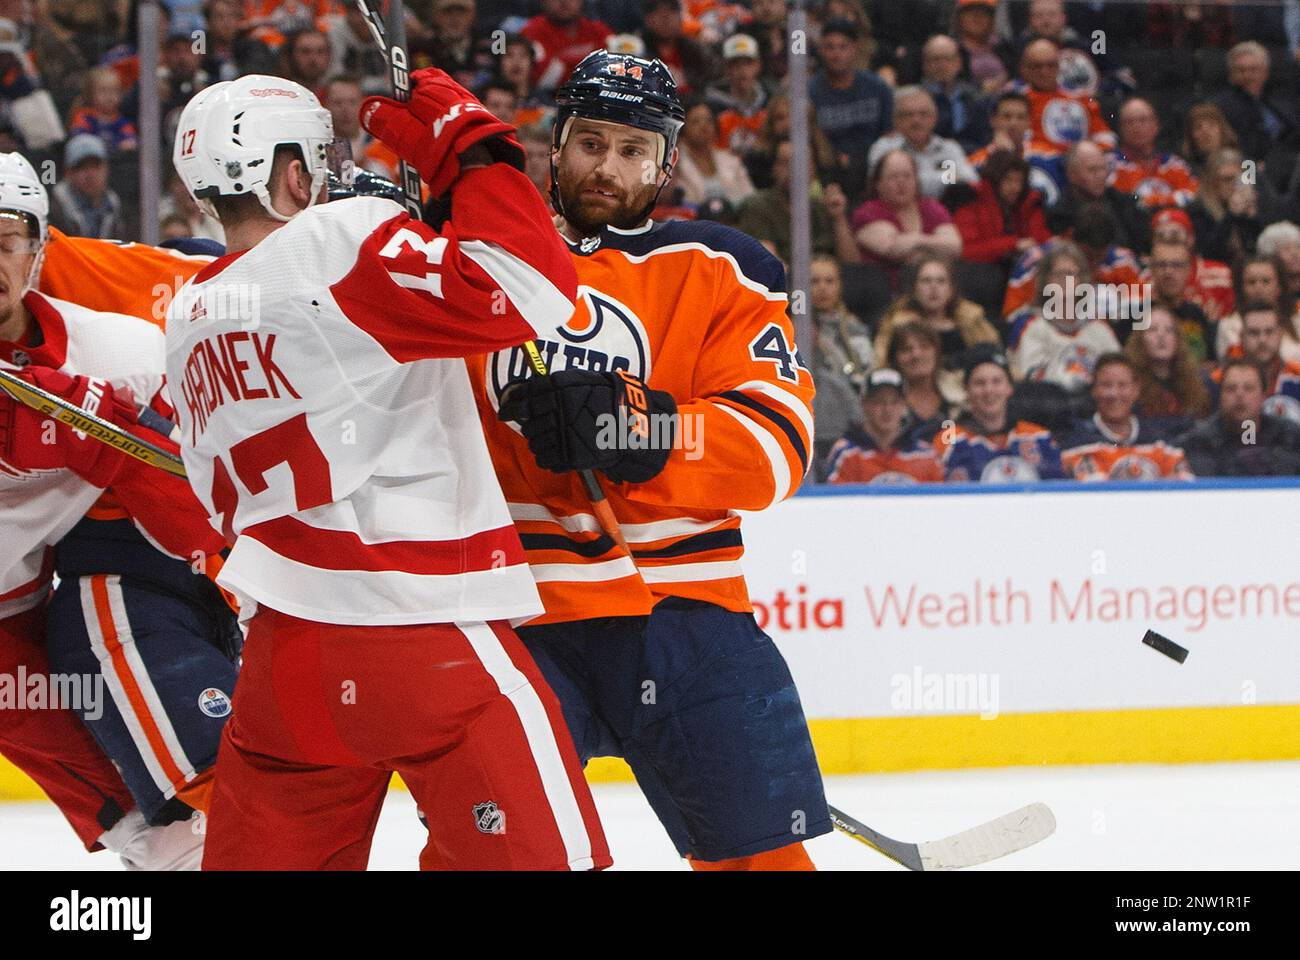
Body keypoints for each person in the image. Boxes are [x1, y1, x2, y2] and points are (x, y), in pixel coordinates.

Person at [166, 71, 608, 870]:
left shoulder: (189, 314)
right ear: (291, 174)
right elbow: (531, 288)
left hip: (280, 669)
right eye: (316, 165)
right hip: (416, 631)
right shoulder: (335, 240)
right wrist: (475, 154)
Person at [472, 51, 830, 870]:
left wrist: (642, 430)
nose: (608, 166)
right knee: (496, 854)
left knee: (761, 862)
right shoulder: (479, 261)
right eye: (591, 143)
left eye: (633, 150)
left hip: (683, 613)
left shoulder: (723, 266)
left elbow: (777, 448)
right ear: (556, 145)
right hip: (515, 612)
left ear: (666, 165)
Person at [0, 152, 231, 869]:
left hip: (38, 588)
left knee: (202, 812)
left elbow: (189, 497)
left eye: (5, 240)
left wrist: (113, 434)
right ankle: (147, 836)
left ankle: (162, 836)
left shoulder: (116, 353)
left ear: (38, 253)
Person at [935, 344, 1066, 482]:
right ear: (966, 389)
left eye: (997, 381)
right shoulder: (948, 440)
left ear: (1010, 387)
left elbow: (1058, 489)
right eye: (979, 383)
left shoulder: (1039, 437)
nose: (989, 390)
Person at [1008, 239, 1121, 393]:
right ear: (1046, 280)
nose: (1065, 281)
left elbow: (1118, 372)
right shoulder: (1031, 325)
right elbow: (1029, 376)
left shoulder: (1099, 328)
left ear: (1082, 280)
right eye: (1058, 274)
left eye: (1071, 274)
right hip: (1048, 402)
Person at [1058, 353, 1194, 481]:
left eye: (1122, 385)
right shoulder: (1076, 443)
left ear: (1136, 390)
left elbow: (1185, 484)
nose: (1114, 393)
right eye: (1106, 385)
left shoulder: (1160, 443)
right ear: (1094, 390)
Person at [852, 148, 962, 282]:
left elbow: (954, 247)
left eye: (907, 176)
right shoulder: (867, 212)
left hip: (932, 285)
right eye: (893, 177)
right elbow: (893, 248)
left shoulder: (931, 207)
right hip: (886, 287)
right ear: (878, 184)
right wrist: (934, 247)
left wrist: (915, 241)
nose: (901, 182)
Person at [1177, 359, 1300, 476]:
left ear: (1263, 396)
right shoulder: (1198, 442)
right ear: (1221, 396)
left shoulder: (1290, 436)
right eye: (1231, 389)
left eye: (1248, 388)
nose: (1239, 395)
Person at [874, 255, 997, 371]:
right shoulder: (898, 325)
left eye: (941, 281)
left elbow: (993, 358)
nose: (934, 287)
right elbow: (881, 364)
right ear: (914, 288)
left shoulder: (972, 320)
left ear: (951, 289)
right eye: (926, 281)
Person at [826, 368, 945, 484]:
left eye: (894, 402)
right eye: (879, 401)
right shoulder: (845, 454)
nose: (887, 410)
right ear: (864, 404)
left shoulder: (927, 456)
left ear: (904, 404)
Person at [865, 86, 979, 200]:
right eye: (908, 115)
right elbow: (878, 187)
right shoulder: (885, 148)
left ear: (934, 118)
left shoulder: (949, 148)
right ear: (896, 120)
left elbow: (972, 182)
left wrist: (909, 180)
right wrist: (948, 178)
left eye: (923, 114)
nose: (916, 121)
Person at [809, 19, 892, 165]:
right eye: (830, 47)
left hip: (873, 163)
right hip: (827, 165)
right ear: (821, 50)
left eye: (843, 47)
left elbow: (889, 134)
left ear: (854, 49)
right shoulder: (810, 91)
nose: (836, 54)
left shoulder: (877, 87)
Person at [1014, 37, 1115, 155]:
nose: (1044, 72)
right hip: (1036, 160)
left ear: (1059, 66)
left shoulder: (1080, 98)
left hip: (1079, 161)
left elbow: (1104, 138)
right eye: (1037, 66)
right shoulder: (1017, 101)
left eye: (1051, 65)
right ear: (1024, 69)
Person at [1211, 41, 1300, 172]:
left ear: (1265, 72)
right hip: (1249, 167)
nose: (1248, 76)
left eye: (1253, 70)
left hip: (1290, 163)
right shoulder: (1220, 106)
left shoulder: (1281, 99)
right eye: (1241, 70)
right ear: (1231, 75)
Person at [953, 148, 1049, 266]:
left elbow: (1042, 241)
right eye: (1008, 180)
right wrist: (1014, 244)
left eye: (1019, 181)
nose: (1015, 187)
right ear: (995, 180)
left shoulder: (1029, 203)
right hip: (981, 270)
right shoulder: (971, 201)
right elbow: (966, 251)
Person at [1123, 304, 1213, 423]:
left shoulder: (1199, 382)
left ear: (1178, 339)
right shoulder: (1128, 384)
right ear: (1140, 339)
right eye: (1152, 329)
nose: (1161, 335)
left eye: (1169, 330)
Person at [1108, 97, 1199, 211]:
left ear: (1156, 125)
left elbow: (1192, 195)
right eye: (1129, 122)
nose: (1136, 127)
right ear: (1121, 128)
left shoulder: (1175, 164)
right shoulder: (1110, 165)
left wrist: (1151, 201)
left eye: (1143, 120)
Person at [1185, 147, 1262, 268]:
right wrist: (1231, 215)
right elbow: (1208, 252)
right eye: (1227, 179)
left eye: (1239, 179)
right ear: (1212, 182)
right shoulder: (1197, 210)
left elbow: (1258, 249)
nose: (1234, 185)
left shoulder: (1248, 206)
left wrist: (1251, 218)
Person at [672, 98, 755, 209]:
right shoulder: (675, 162)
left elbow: (750, 198)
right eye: (695, 121)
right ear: (682, 127)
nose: (704, 126)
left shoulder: (731, 160)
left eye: (709, 121)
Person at [888, 320, 964, 436]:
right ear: (895, 358)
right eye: (906, 349)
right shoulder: (883, 402)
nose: (916, 355)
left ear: (936, 352)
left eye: (924, 347)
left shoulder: (961, 395)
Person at [1216, 256, 1299, 362]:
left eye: (1266, 281)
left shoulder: (1297, 320)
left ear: (1279, 287)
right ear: (1242, 288)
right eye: (1251, 282)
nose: (1258, 288)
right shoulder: (1228, 325)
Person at [919, 33, 990, 155]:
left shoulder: (977, 97)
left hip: (972, 156)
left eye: (948, 59)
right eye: (936, 59)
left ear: (959, 63)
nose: (942, 65)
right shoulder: (917, 99)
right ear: (925, 64)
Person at [522, 0, 613, 93]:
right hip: (550, 97)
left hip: (596, 95)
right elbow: (543, 80)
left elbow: (615, 68)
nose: (564, 2)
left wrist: (564, 64)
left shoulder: (597, 29)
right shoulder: (532, 33)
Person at [48, 134, 125, 240]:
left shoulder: (113, 204)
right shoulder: (54, 209)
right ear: (68, 173)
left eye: (95, 166)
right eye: (81, 167)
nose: (90, 174)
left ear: (106, 169)